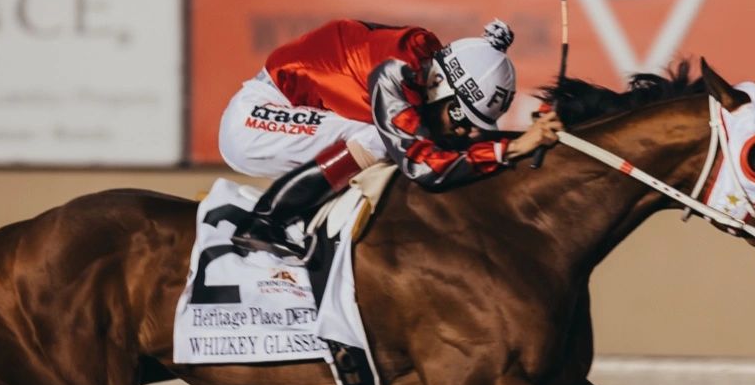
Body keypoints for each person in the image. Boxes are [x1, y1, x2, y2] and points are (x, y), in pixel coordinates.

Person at [215, 17, 562, 256]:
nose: (464, 130)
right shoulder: (394, 77)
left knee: (395, 139)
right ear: (440, 85)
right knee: (380, 140)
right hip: (253, 122)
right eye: (460, 115)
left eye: (474, 123)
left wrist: (527, 136)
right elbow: (424, 168)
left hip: (297, 113)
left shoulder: (425, 69)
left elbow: (449, 144)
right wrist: (515, 146)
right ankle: (262, 223)